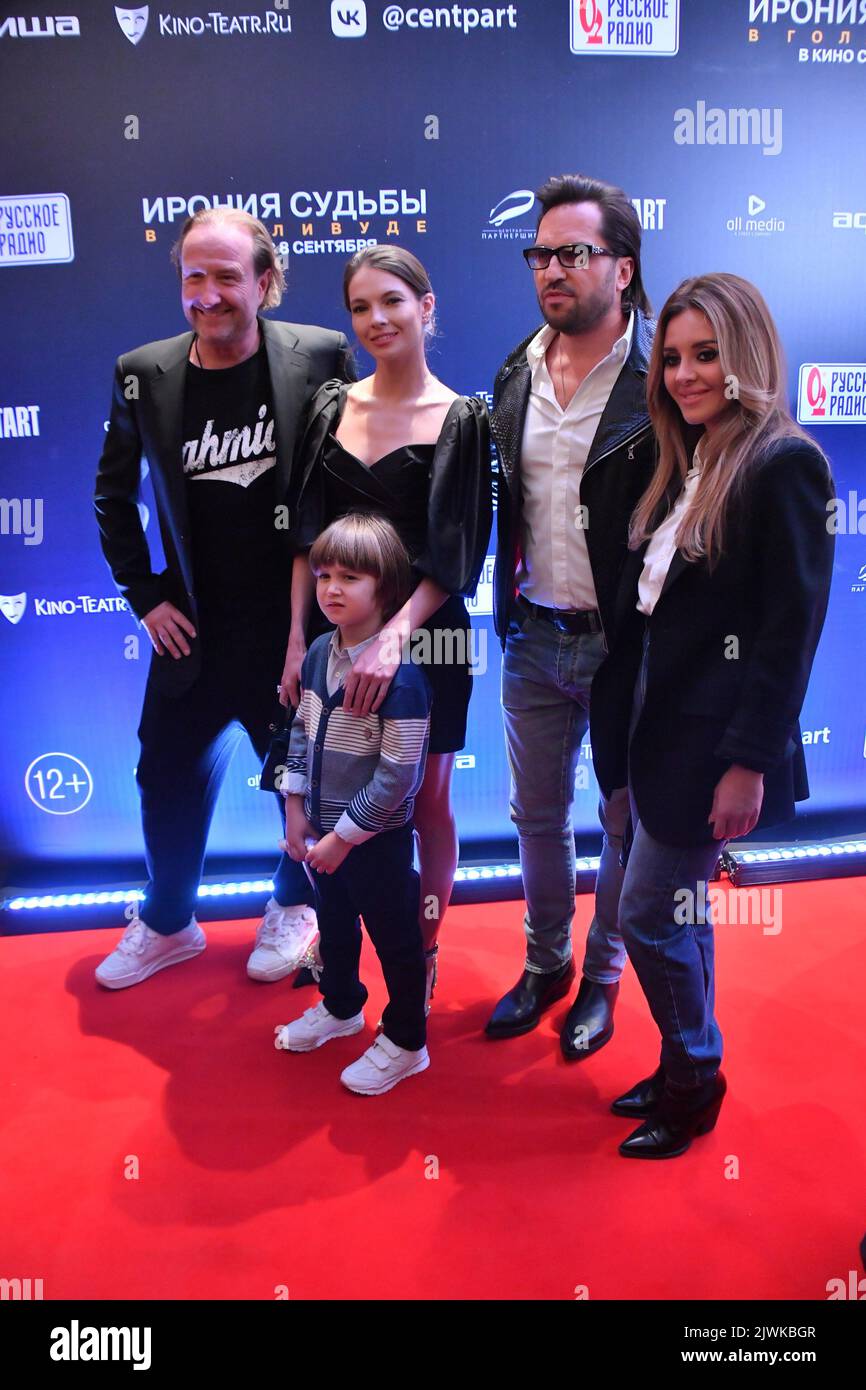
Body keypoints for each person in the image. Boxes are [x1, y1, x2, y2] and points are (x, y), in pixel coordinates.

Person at [590, 273, 835, 1158]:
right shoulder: (682, 460)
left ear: (747, 359)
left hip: (713, 746)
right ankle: (681, 1063)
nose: (686, 374)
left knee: (650, 912)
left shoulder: (783, 463)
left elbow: (787, 638)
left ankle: (695, 1076)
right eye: (673, 357)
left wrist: (748, 763)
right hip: (652, 728)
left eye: (707, 356)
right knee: (680, 913)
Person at [93, 208, 354, 990]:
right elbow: (111, 495)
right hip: (194, 635)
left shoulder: (320, 356)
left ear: (266, 283)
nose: (207, 295)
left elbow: (345, 489)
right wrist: (144, 596)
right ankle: (169, 920)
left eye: (227, 276)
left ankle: (293, 906)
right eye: (192, 277)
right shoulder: (142, 371)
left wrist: (337, 620)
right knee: (163, 775)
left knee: (305, 782)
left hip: (295, 631)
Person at [286, 244, 492, 1012]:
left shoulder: (464, 420)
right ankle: (337, 939)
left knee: (424, 803)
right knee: (332, 790)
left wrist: (395, 637)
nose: (377, 319)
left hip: (429, 638)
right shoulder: (330, 406)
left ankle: (422, 944)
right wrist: (296, 644)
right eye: (361, 306)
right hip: (333, 645)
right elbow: (307, 538)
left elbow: (458, 554)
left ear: (427, 307)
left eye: (393, 302)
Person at [486, 174, 656, 1052]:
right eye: (540, 254)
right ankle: (545, 961)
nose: (551, 269)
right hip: (532, 635)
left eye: (572, 253)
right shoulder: (516, 369)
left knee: (622, 823)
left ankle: (603, 978)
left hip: (625, 646)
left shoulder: (663, 377)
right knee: (535, 818)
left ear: (622, 269)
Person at [275, 514, 432, 1095]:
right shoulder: (317, 651)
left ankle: (408, 1041)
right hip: (321, 835)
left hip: (374, 841)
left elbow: (398, 777)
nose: (332, 589)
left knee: (395, 940)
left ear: (386, 588)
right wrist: (295, 806)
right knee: (335, 926)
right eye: (323, 575)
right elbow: (299, 732)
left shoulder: (404, 677)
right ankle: (341, 1007)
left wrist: (344, 836)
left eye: (350, 577)